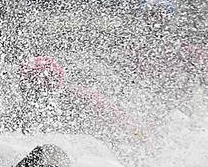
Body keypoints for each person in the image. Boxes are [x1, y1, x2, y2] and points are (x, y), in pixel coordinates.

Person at [13, 55, 146, 145]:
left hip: (119, 145)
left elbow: (124, 125)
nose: (25, 91)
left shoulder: (84, 99)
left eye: (27, 85)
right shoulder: (27, 110)